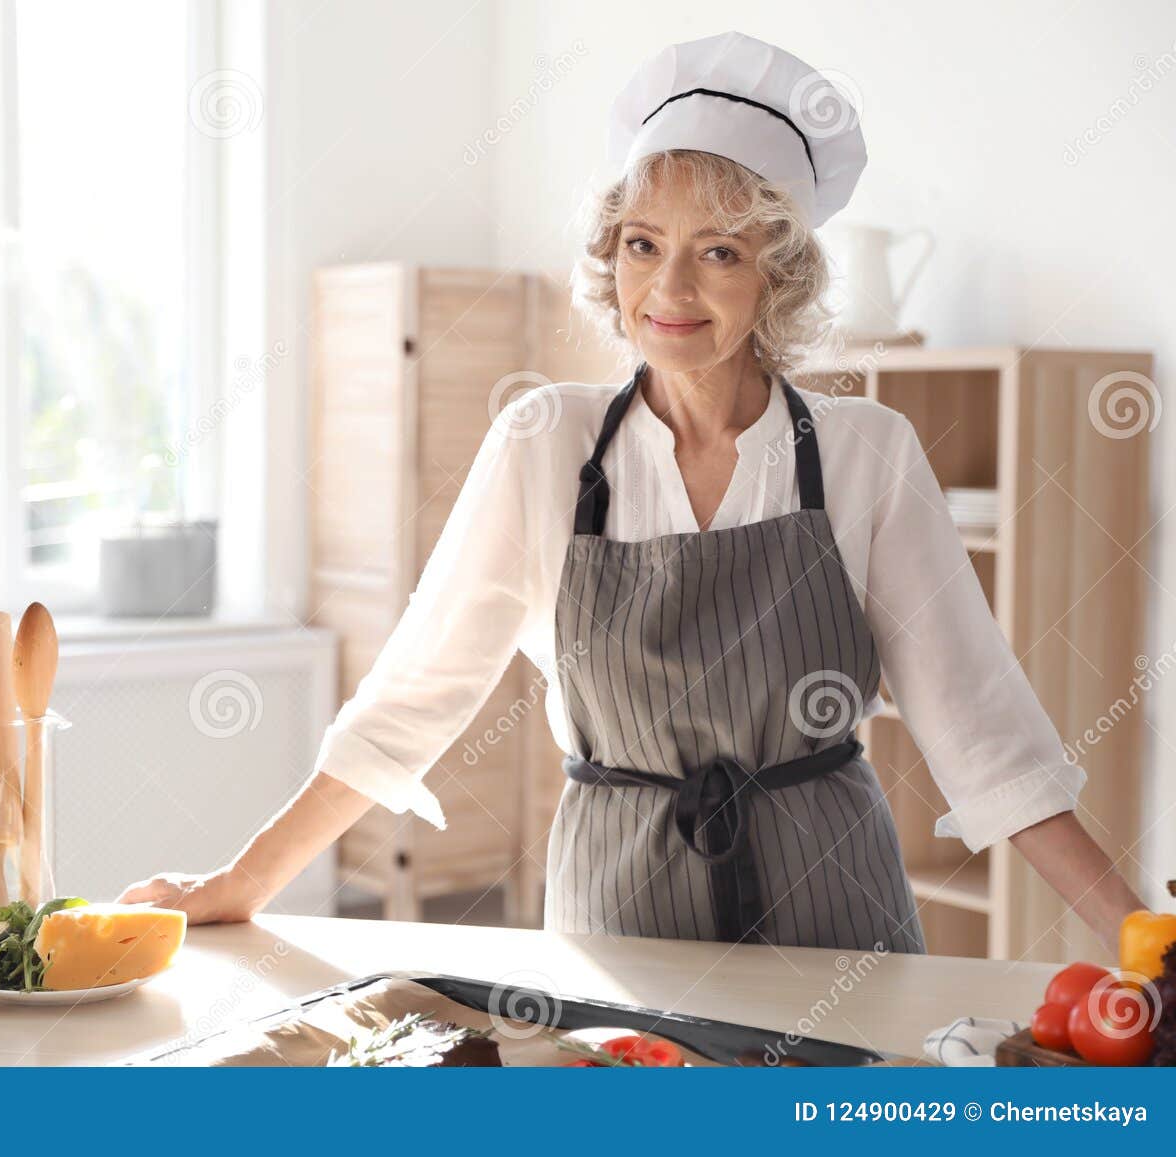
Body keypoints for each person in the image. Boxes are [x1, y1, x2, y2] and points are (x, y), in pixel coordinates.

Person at [118, 31, 1143, 951]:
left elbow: (984, 732)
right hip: (619, 914)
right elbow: (413, 695)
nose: (670, 290)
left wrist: (1148, 942)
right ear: (609, 256)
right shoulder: (546, 440)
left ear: (774, 278)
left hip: (834, 913)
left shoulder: (866, 451)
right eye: (644, 243)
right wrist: (243, 881)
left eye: (720, 253)